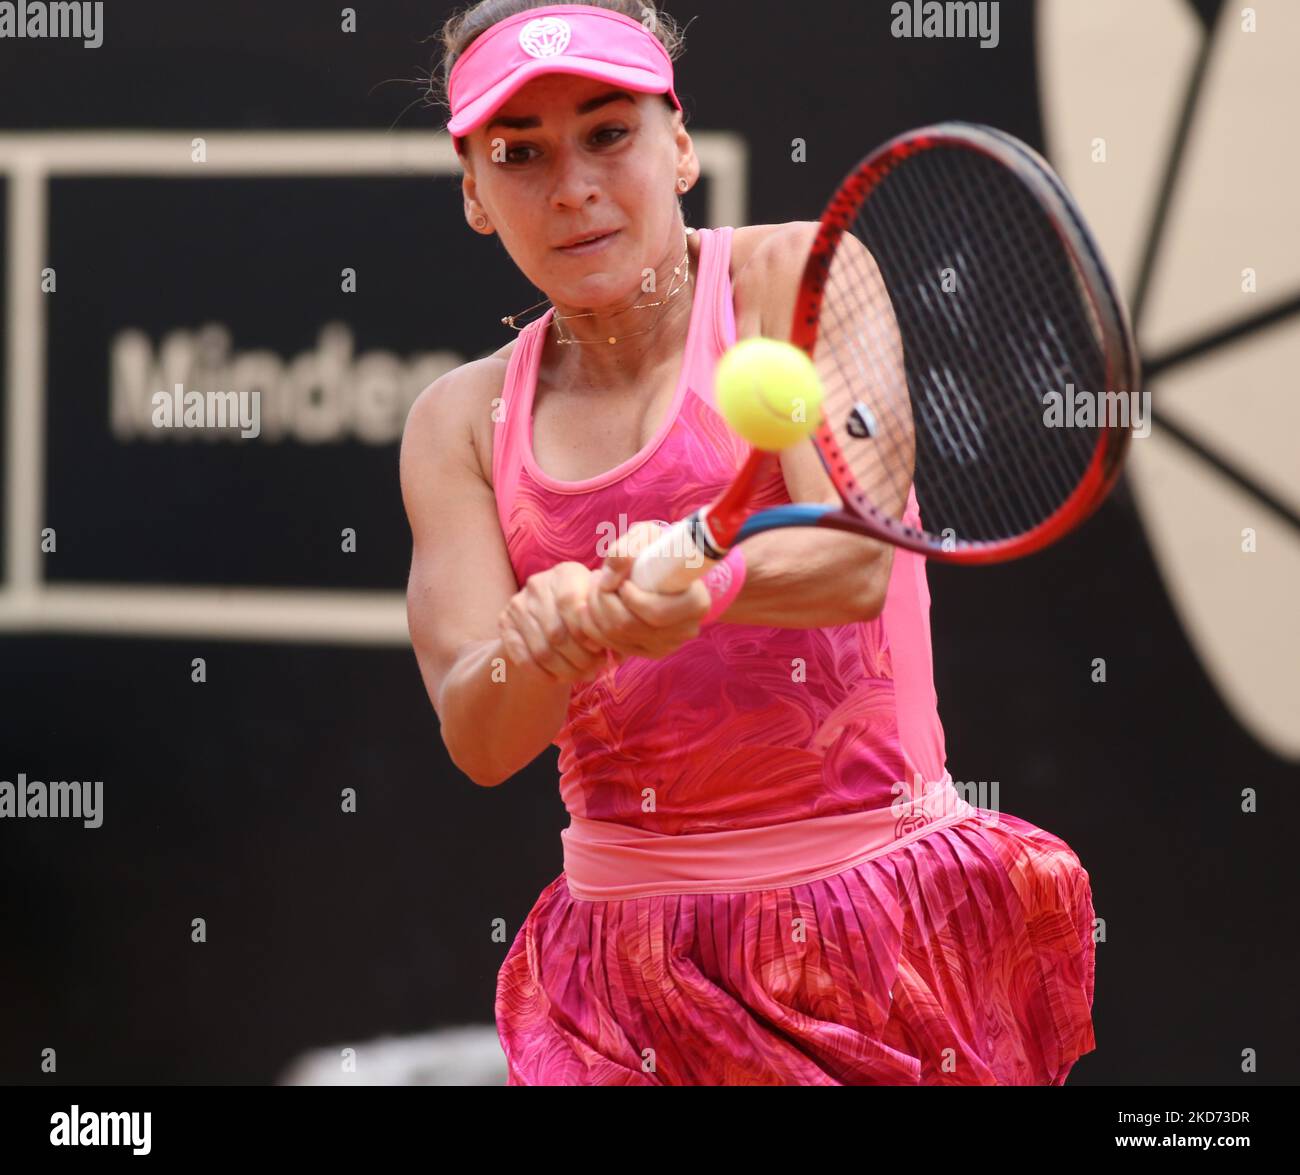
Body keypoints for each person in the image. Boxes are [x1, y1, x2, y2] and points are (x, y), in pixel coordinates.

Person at [400, 0, 1097, 1085]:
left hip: (872, 923)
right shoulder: (457, 421)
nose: (572, 185)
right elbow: (480, 734)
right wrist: (546, 646)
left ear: (678, 146)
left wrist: (703, 586)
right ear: (474, 197)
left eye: (607, 132)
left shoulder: (799, 278)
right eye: (518, 153)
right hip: (622, 972)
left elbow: (858, 554)